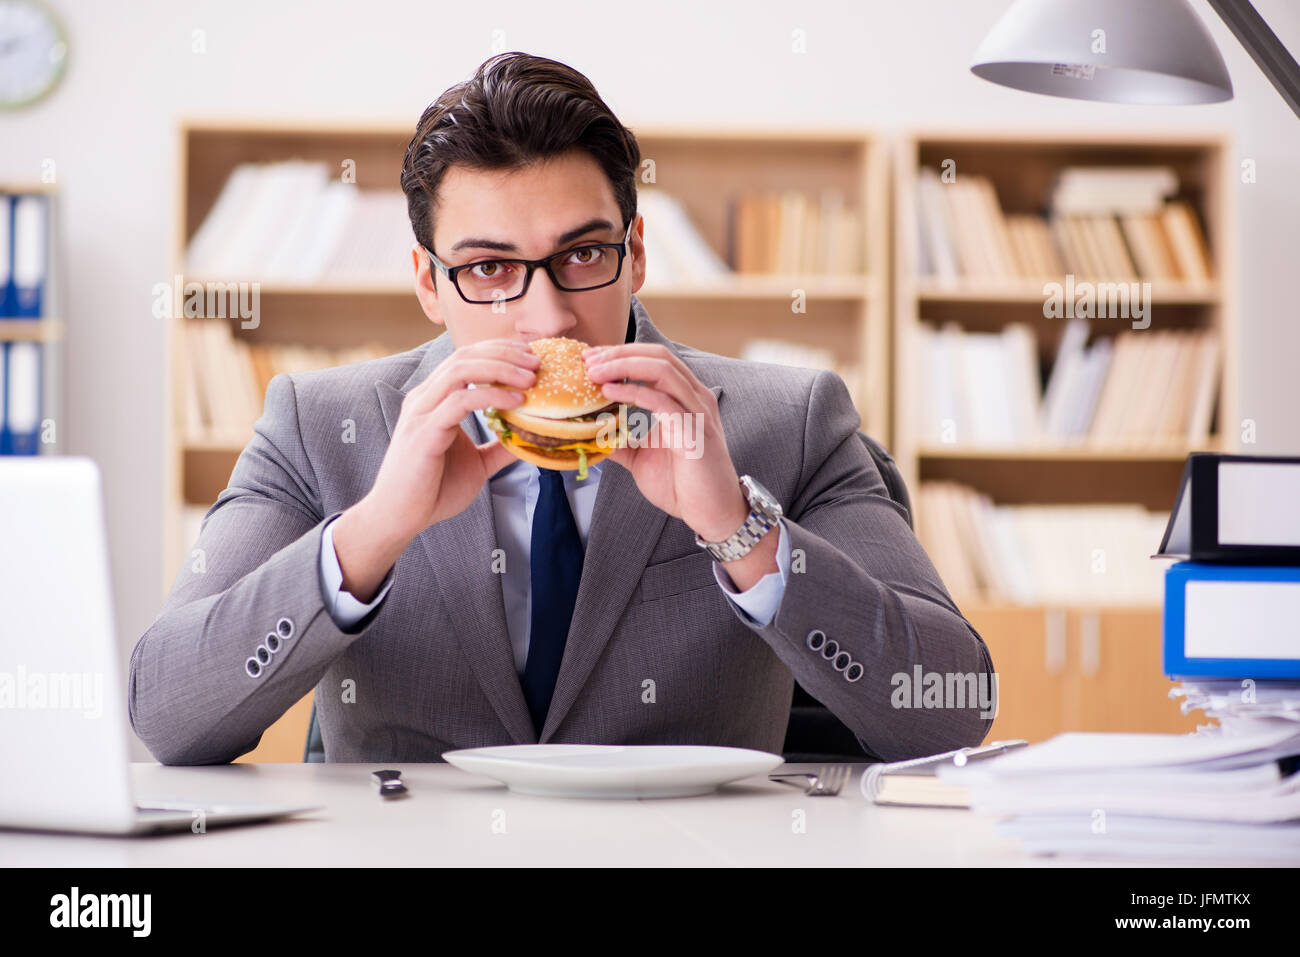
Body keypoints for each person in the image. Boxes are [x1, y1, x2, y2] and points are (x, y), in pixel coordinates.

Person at [130, 51, 994, 765]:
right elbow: (166, 714)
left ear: (637, 254)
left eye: (582, 255)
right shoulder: (318, 425)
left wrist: (738, 527)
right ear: (430, 283)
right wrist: (376, 530)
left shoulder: (792, 417)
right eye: (489, 268)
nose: (545, 317)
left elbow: (953, 710)